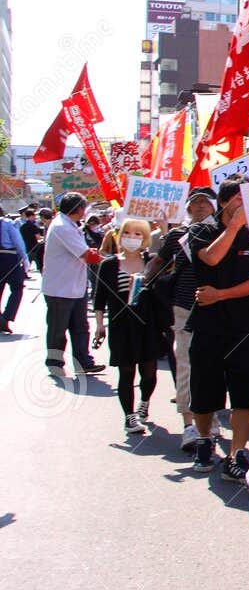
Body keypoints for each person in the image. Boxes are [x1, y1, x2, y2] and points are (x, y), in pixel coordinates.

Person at [187, 181, 249, 482]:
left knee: (244, 392)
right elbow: (211, 257)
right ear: (223, 202)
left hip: (245, 325)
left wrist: (221, 295)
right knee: (204, 388)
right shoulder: (201, 230)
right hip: (208, 325)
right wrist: (234, 227)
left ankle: (237, 453)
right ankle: (204, 439)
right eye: (238, 198)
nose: (243, 203)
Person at [146, 188, 216, 447]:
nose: (200, 207)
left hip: (217, 307)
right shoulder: (177, 235)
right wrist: (142, 281)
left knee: (211, 366)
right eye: (195, 203)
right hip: (184, 306)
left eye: (204, 203)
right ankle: (189, 424)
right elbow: (158, 262)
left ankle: (209, 419)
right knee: (186, 365)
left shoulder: (222, 233)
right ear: (187, 208)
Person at [92, 218, 170, 437]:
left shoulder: (152, 260)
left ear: (145, 238)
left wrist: (164, 231)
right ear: (120, 235)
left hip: (149, 324)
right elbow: (99, 298)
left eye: (138, 234)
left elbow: (169, 262)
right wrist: (99, 325)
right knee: (126, 372)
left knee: (149, 371)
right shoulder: (109, 264)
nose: (132, 238)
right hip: (121, 324)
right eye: (128, 233)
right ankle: (129, 416)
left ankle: (144, 403)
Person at [42, 193, 104, 377]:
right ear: (78, 209)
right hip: (60, 288)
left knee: (80, 327)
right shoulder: (62, 227)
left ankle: (84, 362)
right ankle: (54, 362)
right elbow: (87, 255)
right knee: (57, 329)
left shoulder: (69, 225)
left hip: (74, 285)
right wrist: (111, 262)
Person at [0, 210, 27, 333]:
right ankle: (6, 316)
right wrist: (25, 259)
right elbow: (18, 242)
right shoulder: (8, 223)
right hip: (9, 256)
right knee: (17, 288)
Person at [17, 206, 42, 276]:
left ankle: (24, 273)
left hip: (26, 246)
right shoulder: (33, 226)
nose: (35, 217)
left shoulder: (22, 226)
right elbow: (38, 237)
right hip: (34, 247)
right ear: (31, 216)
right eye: (34, 215)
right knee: (39, 263)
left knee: (27, 261)